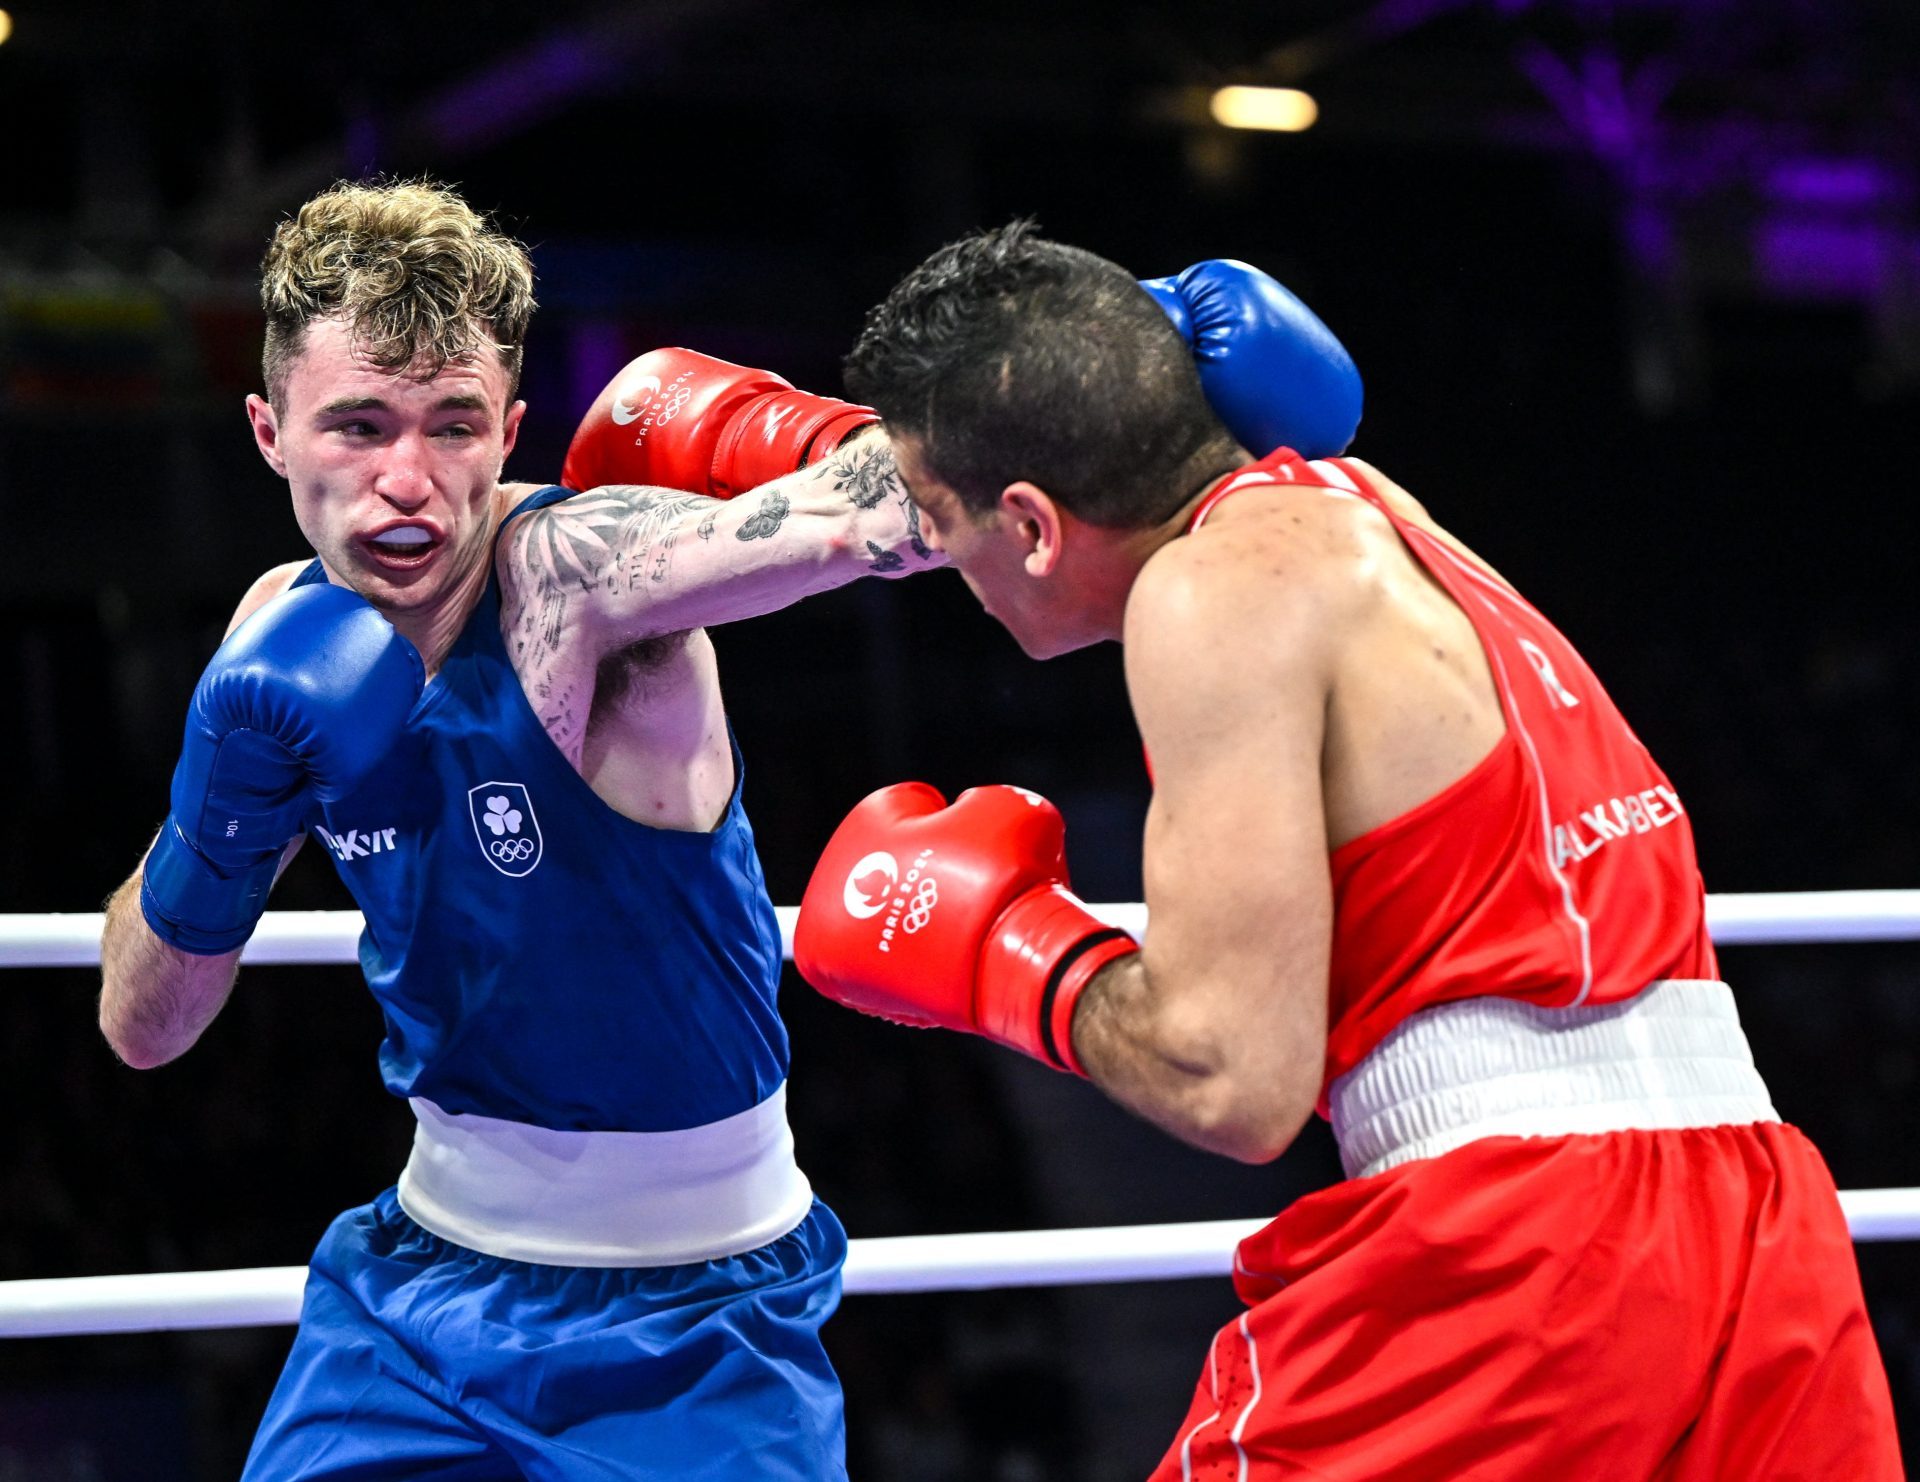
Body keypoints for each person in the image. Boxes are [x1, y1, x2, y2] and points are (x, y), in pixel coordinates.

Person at [794, 222, 1904, 1478]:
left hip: (1526, 1245)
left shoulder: (1209, 590)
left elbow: (1228, 1078)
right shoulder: (1374, 509)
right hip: (1757, 1214)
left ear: (1034, 526)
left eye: (940, 523)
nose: (942, 561)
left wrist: (1017, 956)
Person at [95, 177, 940, 1481]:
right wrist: (213, 834)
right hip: (414, 1298)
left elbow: (881, 515)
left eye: (454, 426)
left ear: (511, 431)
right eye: (358, 426)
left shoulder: (577, 579)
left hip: (692, 1321)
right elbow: (144, 1028)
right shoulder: (274, 631)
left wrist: (831, 439)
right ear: (269, 432)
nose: (408, 482)